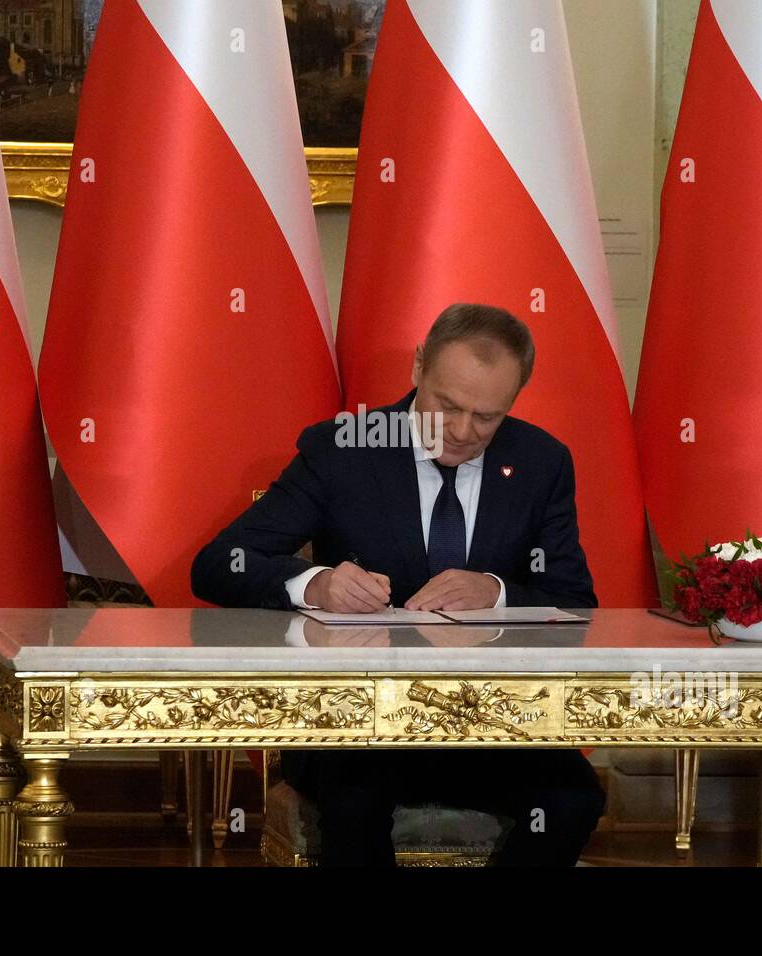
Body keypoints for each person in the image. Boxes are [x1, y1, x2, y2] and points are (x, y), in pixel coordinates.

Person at [191, 302, 605, 865]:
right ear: (417, 369)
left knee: (573, 797)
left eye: (486, 417)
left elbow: (576, 601)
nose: (461, 432)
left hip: (487, 723)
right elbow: (220, 562)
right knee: (356, 801)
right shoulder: (343, 447)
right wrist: (316, 584)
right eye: (447, 406)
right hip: (356, 721)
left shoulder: (541, 461)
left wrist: (497, 591)